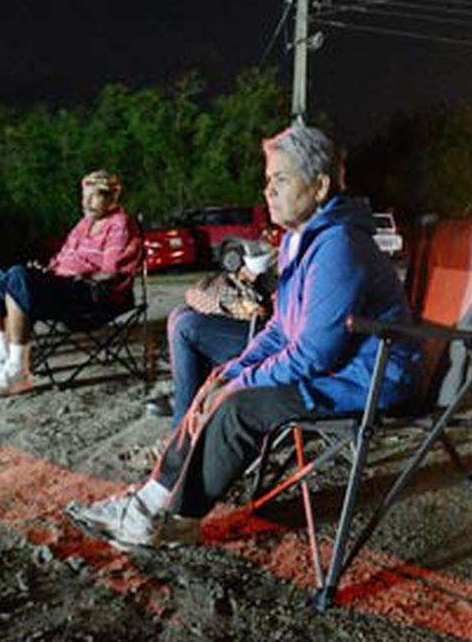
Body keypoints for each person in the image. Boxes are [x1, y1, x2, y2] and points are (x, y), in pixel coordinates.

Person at [67, 124, 422, 549]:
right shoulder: (298, 241)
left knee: (238, 406)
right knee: (218, 387)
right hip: (336, 368)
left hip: (370, 378)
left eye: (282, 180)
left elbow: (314, 353)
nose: (269, 191)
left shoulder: (339, 245)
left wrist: (239, 384)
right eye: (269, 181)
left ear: (321, 185)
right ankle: (150, 507)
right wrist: (232, 370)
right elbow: (279, 329)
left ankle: (161, 517)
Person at [0, 170, 141, 399]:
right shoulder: (84, 224)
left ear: (112, 198)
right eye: (85, 195)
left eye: (96, 196)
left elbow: (112, 273)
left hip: (91, 296)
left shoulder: (119, 225)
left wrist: (71, 277)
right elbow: (62, 259)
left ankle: (18, 371)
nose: (87, 201)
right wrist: (48, 271)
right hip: (64, 286)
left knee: (19, 276)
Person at [144, 238, 278, 429]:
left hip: (274, 336)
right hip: (267, 326)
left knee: (187, 326)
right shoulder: (293, 243)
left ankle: (182, 426)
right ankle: (189, 396)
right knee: (179, 315)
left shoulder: (317, 248)